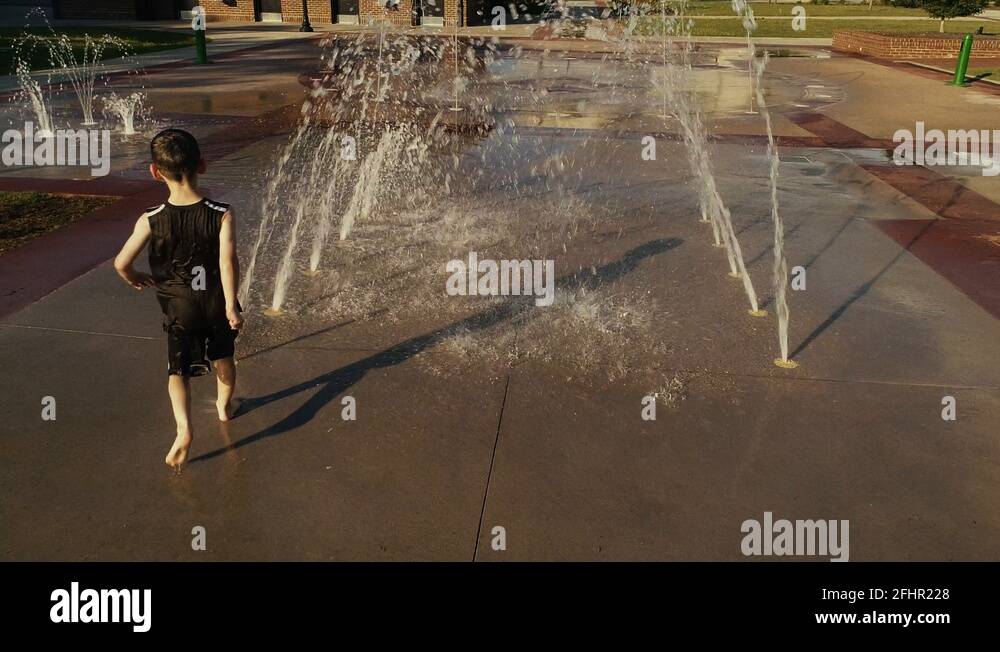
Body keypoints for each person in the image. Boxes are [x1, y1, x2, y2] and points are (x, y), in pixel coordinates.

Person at [113, 128, 243, 469]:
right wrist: (231, 305)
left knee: (177, 371)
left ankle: (184, 430)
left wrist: (134, 277)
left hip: (179, 307)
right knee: (223, 358)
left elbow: (121, 263)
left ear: (155, 172)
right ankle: (224, 408)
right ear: (202, 165)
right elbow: (226, 262)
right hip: (215, 304)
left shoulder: (151, 219)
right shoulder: (221, 212)